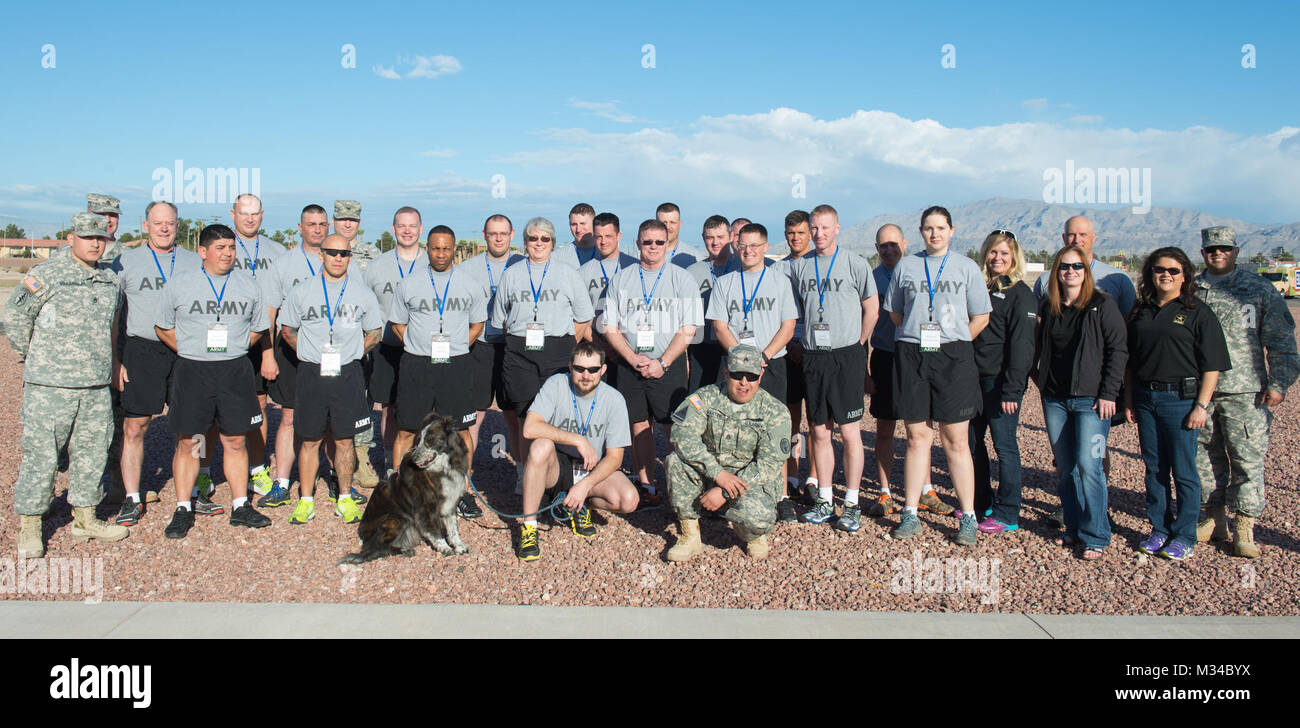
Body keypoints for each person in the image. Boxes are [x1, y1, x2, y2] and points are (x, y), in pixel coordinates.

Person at [7, 212, 129, 557]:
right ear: (71, 238)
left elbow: (111, 329)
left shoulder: (109, 282)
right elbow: (15, 317)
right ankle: (30, 525)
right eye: (88, 237)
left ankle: (86, 518)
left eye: (101, 238)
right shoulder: (46, 275)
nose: (95, 243)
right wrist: (36, 357)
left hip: (93, 387)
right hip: (50, 386)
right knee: (41, 456)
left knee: (91, 454)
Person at [154, 224, 273, 538]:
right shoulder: (179, 285)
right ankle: (183, 507)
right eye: (220, 248)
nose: (228, 254)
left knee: (235, 440)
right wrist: (191, 350)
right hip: (193, 370)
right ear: (203, 252)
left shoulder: (248, 285)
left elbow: (259, 326)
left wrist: (235, 348)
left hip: (234, 370)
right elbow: (163, 327)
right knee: (190, 443)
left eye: (231, 248)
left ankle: (240, 506)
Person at [884, 206, 991, 546]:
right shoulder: (907, 265)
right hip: (913, 353)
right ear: (921, 231)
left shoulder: (966, 267)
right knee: (917, 437)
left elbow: (981, 316)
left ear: (952, 230)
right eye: (929, 228)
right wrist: (922, 339)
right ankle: (911, 513)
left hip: (953, 355)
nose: (935, 234)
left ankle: (968, 516)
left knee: (956, 440)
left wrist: (954, 341)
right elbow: (897, 313)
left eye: (941, 228)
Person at [1193, 226, 1299, 557]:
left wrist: (1279, 383)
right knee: (1203, 457)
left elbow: (1281, 340)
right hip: (1199, 392)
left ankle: (1244, 524)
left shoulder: (1258, 289)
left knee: (1246, 457)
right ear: (1203, 254)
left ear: (1236, 251)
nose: (1218, 254)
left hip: (1245, 391)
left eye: (1224, 248)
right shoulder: (1192, 289)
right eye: (1212, 250)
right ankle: (1213, 517)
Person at [1125, 247, 1230, 561]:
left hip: (1180, 401)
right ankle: (1159, 529)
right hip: (1145, 398)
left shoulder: (1198, 312)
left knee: (1184, 471)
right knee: (1154, 469)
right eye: (1159, 269)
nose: (1165, 275)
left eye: (1173, 270)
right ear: (1150, 273)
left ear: (1185, 275)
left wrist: (1201, 406)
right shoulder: (1140, 311)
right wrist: (1129, 398)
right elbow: (1131, 362)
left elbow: (1212, 366)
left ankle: (1184, 535)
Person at [1032, 215, 1137, 528]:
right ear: (1063, 238)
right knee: (1065, 460)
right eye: (1070, 235)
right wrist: (1040, 377)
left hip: (1095, 389)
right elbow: (1040, 332)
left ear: (1094, 237)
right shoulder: (1046, 282)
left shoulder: (1116, 280)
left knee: (1091, 459)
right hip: (1057, 390)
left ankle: (1097, 517)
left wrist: (1116, 390)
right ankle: (1073, 512)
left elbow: (1124, 338)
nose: (1076, 240)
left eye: (1082, 235)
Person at [279, 234, 385, 525]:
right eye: (332, 252)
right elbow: (287, 329)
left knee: (344, 439)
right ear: (321, 255)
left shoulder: (362, 293)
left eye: (344, 253)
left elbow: (374, 332)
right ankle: (306, 499)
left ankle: (345, 497)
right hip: (312, 371)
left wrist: (351, 353)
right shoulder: (302, 291)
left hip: (347, 372)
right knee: (310, 439)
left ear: (350, 257)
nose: (338, 258)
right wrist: (307, 350)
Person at [111, 201, 205, 526]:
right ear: (145, 225)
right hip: (143, 350)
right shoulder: (125, 261)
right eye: (157, 223)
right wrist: (115, 359)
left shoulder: (195, 262)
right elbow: (112, 313)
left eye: (170, 223)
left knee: (194, 428)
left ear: (178, 225)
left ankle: (196, 492)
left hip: (186, 350)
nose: (164, 229)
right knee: (135, 426)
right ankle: (132, 498)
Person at [789, 204, 878, 534]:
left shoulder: (854, 263)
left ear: (837, 228)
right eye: (814, 228)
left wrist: (859, 343)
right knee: (820, 431)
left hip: (846, 356)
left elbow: (872, 308)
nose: (818, 234)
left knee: (850, 431)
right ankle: (825, 500)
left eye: (825, 228)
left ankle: (851, 504)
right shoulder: (802, 267)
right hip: (815, 357)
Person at [603, 219, 703, 507]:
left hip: (667, 366)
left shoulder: (681, 279)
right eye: (648, 242)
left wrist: (663, 361)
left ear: (668, 244)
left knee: (674, 427)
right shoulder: (622, 278)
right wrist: (633, 358)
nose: (654, 247)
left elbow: (689, 328)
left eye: (660, 242)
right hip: (630, 365)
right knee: (638, 426)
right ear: (637, 244)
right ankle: (647, 485)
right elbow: (610, 326)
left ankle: (682, 485)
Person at [665, 345, 792, 562]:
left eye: (751, 376)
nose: (744, 382)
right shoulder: (705, 398)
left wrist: (724, 492)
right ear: (726, 372)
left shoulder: (776, 411)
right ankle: (690, 536)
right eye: (737, 375)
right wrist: (718, 475)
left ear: (760, 375)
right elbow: (681, 434)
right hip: (711, 474)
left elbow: (768, 465)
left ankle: (753, 535)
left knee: (759, 517)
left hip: (750, 483)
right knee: (675, 461)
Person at [705, 223, 798, 517]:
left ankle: (780, 496)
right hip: (735, 367)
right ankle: (733, 492)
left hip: (771, 364)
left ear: (765, 247)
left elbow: (788, 325)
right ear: (735, 245)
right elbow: (719, 325)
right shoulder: (725, 283)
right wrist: (741, 359)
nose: (748, 251)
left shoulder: (780, 281)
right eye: (743, 245)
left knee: (775, 429)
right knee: (733, 429)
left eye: (755, 246)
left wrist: (763, 357)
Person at [516, 341, 639, 561]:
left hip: (590, 468)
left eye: (593, 369)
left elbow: (615, 458)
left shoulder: (614, 399)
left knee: (628, 499)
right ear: (570, 367)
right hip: (557, 466)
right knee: (540, 446)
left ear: (603, 370)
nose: (586, 375)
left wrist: (584, 486)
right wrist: (577, 439)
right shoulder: (556, 384)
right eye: (580, 368)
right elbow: (530, 427)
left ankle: (579, 504)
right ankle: (529, 527)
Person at [491, 217, 594, 478]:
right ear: (525, 242)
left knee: (562, 415)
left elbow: (583, 317)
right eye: (533, 238)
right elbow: (502, 319)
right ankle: (526, 474)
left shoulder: (568, 274)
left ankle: (566, 477)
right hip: (519, 353)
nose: (539, 243)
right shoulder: (512, 274)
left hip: (558, 350)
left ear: (553, 243)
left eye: (545, 239)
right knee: (525, 417)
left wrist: (568, 343)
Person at [866, 224, 952, 518]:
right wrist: (865, 371)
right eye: (882, 246)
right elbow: (864, 324)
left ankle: (926, 490)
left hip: (918, 356)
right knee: (886, 427)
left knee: (921, 428)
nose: (889, 250)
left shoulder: (919, 271)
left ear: (904, 242)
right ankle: (885, 492)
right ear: (877, 249)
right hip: (886, 356)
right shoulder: (871, 278)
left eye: (893, 244)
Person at [388, 225, 487, 471]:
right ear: (427, 249)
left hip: (456, 364)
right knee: (406, 429)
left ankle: (463, 488)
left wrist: (458, 346)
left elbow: (477, 325)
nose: (441, 254)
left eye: (446, 248)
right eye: (435, 249)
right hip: (417, 363)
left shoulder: (469, 284)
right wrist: (416, 344)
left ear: (454, 249)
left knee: (461, 430)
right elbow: (397, 324)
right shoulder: (409, 284)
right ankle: (401, 485)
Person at [970, 229, 1037, 533]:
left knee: (1005, 446)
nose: (998, 258)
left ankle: (1008, 511)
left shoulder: (1021, 294)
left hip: (1000, 383)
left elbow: (1023, 347)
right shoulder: (978, 286)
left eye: (1004, 254)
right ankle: (980, 502)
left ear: (1014, 258)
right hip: (972, 379)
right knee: (971, 443)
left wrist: (1013, 387)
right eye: (993, 252)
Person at [461, 214, 524, 507]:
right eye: (492, 234)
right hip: (482, 347)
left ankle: (524, 475)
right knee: (474, 415)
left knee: (514, 414)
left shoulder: (523, 265)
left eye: (503, 234)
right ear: (484, 235)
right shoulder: (468, 269)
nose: (498, 238)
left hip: (514, 347)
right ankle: (464, 479)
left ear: (511, 235)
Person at [229, 193, 287, 491]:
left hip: (262, 339)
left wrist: (269, 351)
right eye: (243, 213)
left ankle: (257, 466)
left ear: (262, 215)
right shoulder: (223, 247)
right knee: (215, 409)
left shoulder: (276, 251)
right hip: (226, 339)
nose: (249, 218)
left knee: (259, 404)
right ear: (233, 213)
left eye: (254, 213)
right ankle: (202, 468)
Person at [363, 206, 425, 480]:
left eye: (412, 226)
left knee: (423, 406)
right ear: (394, 230)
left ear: (420, 229)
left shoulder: (431, 263)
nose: (407, 231)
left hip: (423, 350)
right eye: (402, 226)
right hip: (389, 348)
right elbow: (365, 305)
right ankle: (391, 462)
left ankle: (420, 460)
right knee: (388, 406)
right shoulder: (377, 266)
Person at [331, 199, 382, 488]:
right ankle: (331, 461)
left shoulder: (371, 255)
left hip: (361, 342)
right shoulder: (323, 252)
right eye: (342, 219)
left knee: (362, 401)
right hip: (327, 344)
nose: (347, 224)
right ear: (334, 219)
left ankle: (361, 459)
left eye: (353, 220)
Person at [779, 210, 820, 510]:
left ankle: (814, 480)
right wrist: (792, 343)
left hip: (817, 349)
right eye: (791, 233)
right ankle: (791, 478)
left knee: (819, 421)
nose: (795, 238)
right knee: (791, 422)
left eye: (801, 233)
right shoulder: (778, 270)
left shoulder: (820, 264)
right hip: (789, 349)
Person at [685, 215, 738, 392]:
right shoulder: (692, 272)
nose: (715, 242)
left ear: (731, 237)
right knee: (701, 401)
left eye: (720, 237)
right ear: (703, 238)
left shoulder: (741, 267)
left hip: (735, 345)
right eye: (710, 237)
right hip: (703, 348)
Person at [656, 202, 702, 267]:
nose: (668, 227)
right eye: (663, 222)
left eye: (672, 222)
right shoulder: (641, 255)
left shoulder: (694, 257)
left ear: (679, 224)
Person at [553, 203, 599, 269]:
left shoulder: (606, 254)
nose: (578, 229)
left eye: (582, 223)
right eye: (574, 224)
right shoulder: (558, 257)